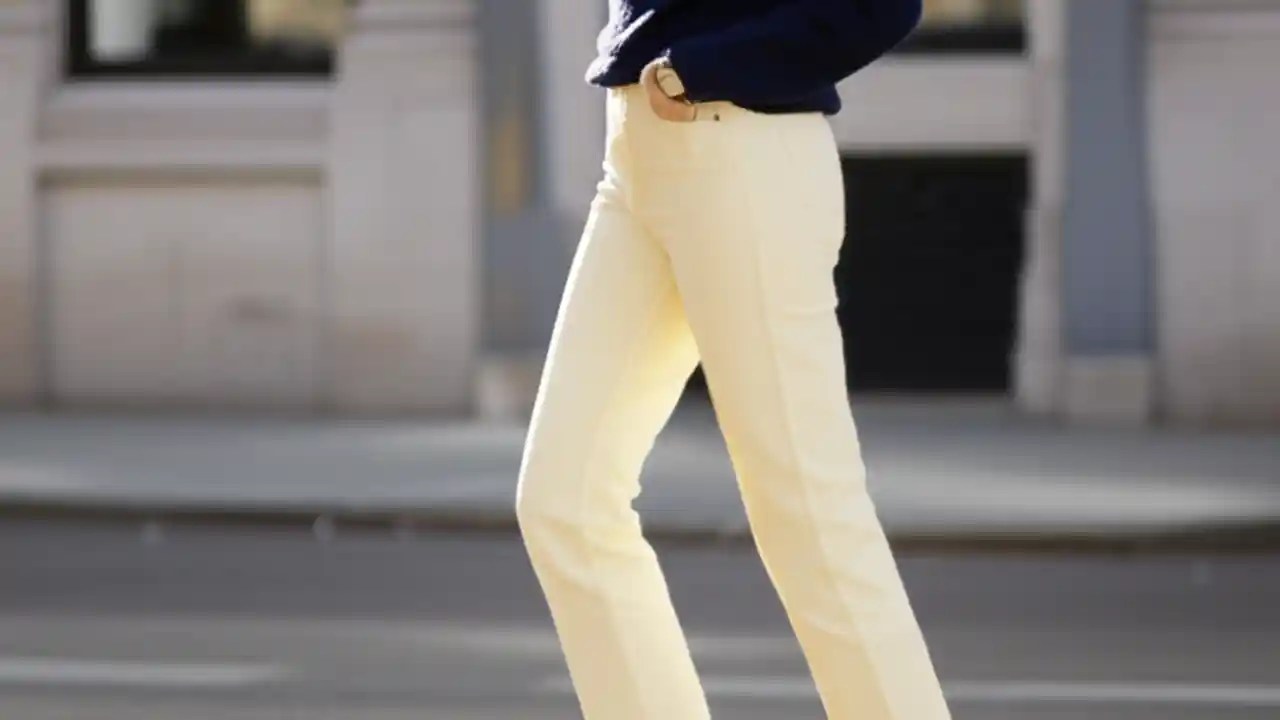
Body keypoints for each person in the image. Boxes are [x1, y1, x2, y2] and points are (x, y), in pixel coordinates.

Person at [514, 1, 952, 718]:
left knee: (808, 514)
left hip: (741, 151)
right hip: (634, 157)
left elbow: (883, 6)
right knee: (564, 502)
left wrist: (699, 69)